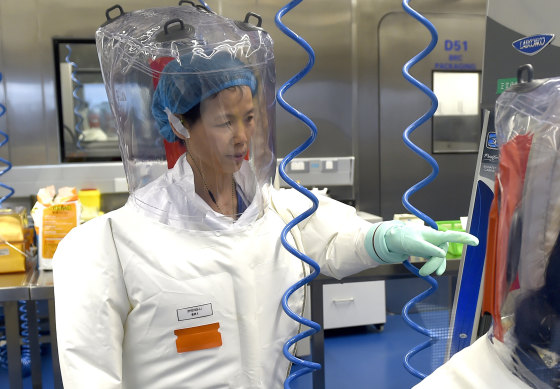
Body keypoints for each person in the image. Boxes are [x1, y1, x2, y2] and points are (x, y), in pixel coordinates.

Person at [52, 6, 478, 389]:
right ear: (181, 126)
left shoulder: (277, 212)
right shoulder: (108, 245)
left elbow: (332, 243)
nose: (242, 137)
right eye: (224, 122)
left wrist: (384, 239)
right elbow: (90, 375)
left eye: (250, 118)